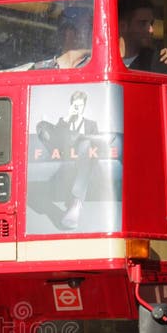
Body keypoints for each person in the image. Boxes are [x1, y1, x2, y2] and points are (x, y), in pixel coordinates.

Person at [36, 89, 100, 229]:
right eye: (75, 105)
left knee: (86, 144)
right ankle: (76, 203)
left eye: (81, 106)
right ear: (71, 105)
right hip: (67, 156)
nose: (78, 109)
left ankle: (76, 201)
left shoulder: (91, 125)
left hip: (85, 158)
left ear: (84, 106)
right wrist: (67, 118)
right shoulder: (63, 122)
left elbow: (97, 146)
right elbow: (56, 140)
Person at [118, 0, 167, 73]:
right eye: (143, 23)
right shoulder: (101, 60)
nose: (151, 30)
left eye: (151, 23)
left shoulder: (161, 63)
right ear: (122, 26)